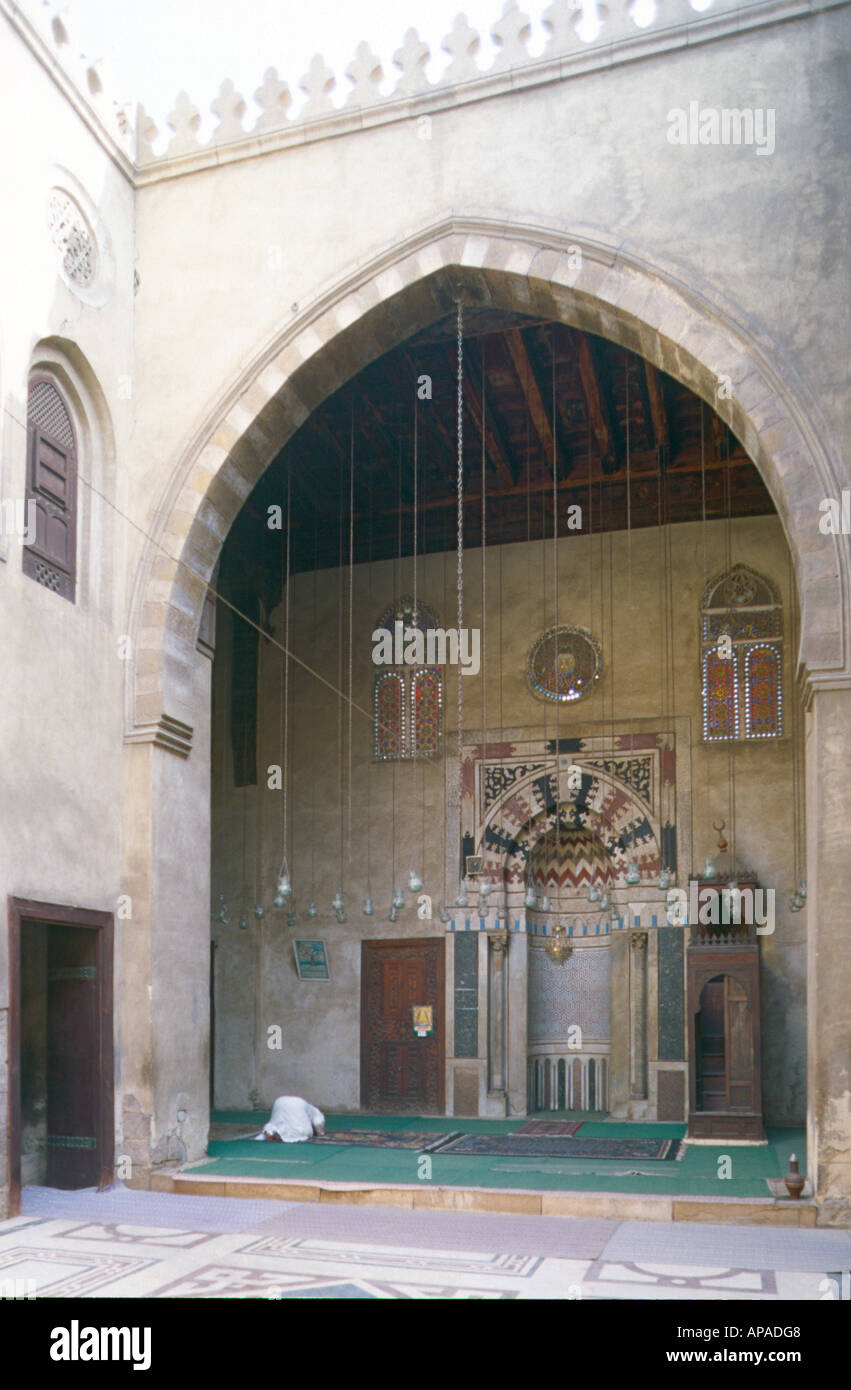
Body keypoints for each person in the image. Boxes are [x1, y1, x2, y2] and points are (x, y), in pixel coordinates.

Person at [254, 1095, 326, 1143]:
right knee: (303, 1131)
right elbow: (318, 1122)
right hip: (296, 1106)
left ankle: (272, 1131)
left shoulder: (305, 1104)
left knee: (277, 1123)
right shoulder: (316, 1112)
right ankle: (277, 1134)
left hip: (279, 1101)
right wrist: (321, 1132)